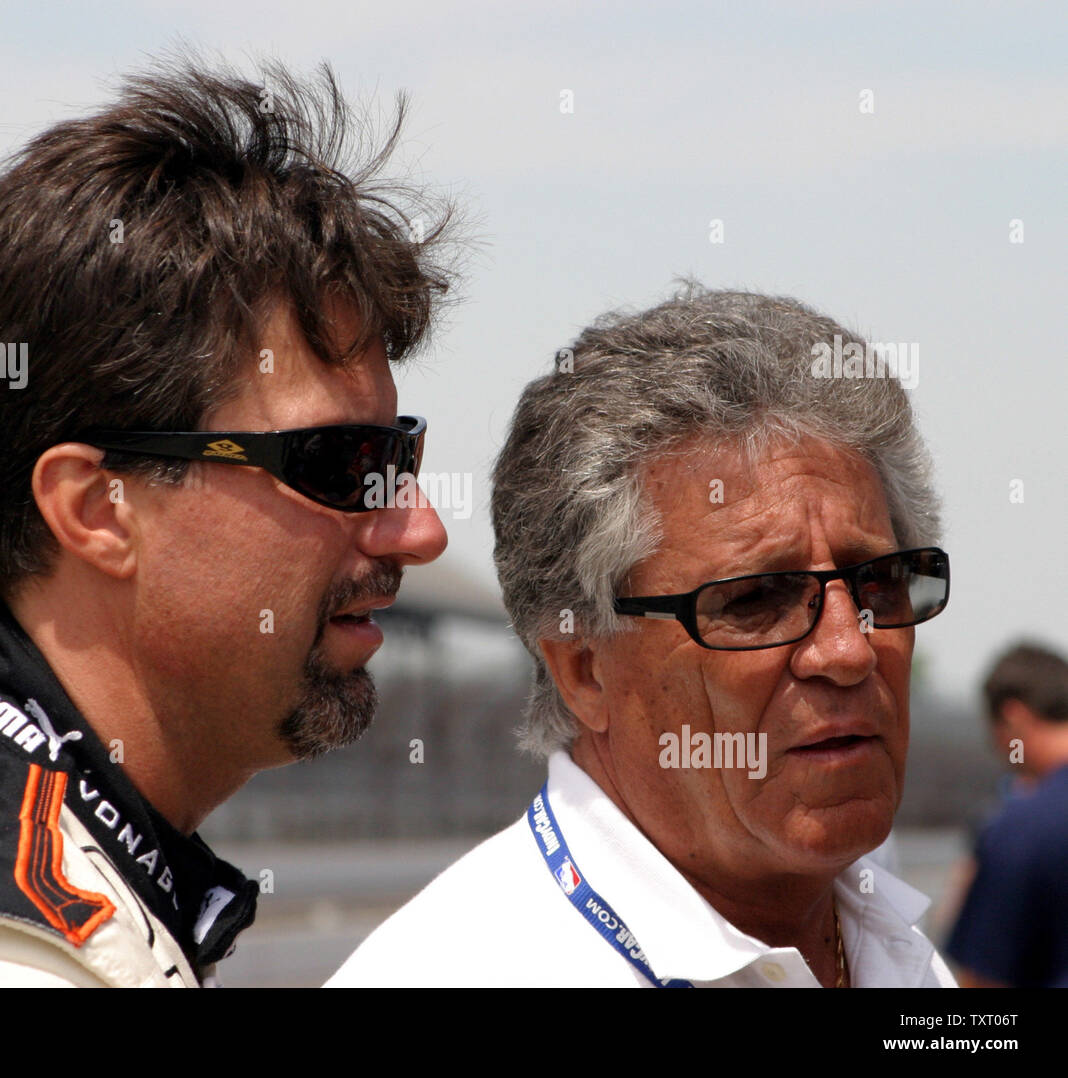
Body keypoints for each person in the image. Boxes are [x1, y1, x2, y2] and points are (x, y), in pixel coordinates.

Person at [0, 56, 454, 987]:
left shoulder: (47, 879)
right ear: (98, 509)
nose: (418, 530)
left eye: (399, 456)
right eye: (343, 466)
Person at [329, 286, 955, 988]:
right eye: (755, 599)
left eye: (879, 583)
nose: (849, 649)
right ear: (582, 670)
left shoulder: (895, 947)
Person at [947, 642, 1068, 987]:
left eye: (996, 738)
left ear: (1013, 718)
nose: (1005, 755)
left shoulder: (1023, 825)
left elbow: (985, 980)